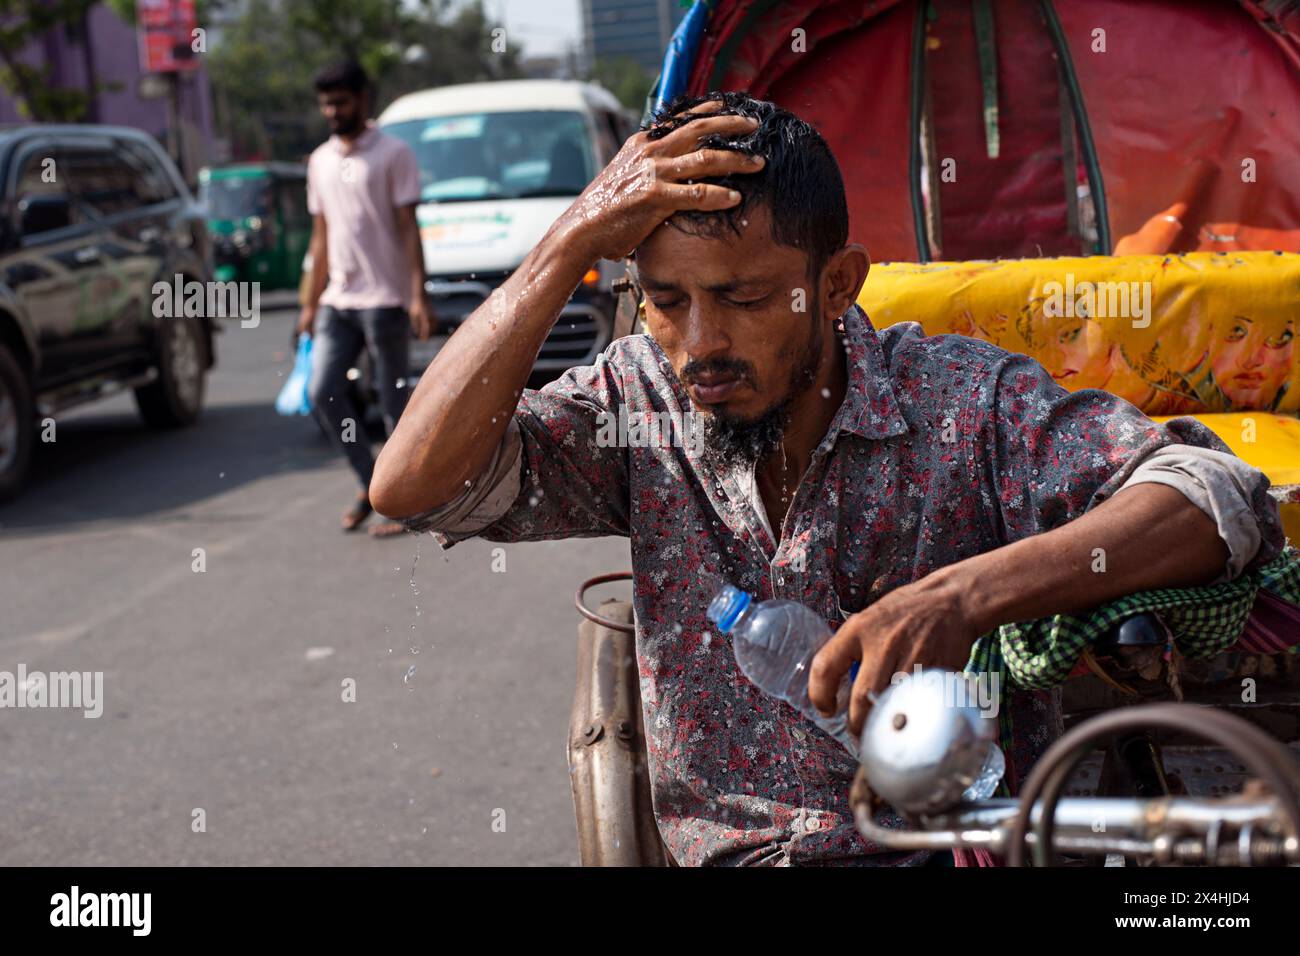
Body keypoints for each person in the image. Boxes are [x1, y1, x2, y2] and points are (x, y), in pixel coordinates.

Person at [368, 93, 1286, 865]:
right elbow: (412, 485)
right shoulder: (633, 403)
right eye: (668, 300)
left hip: (963, 844)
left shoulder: (963, 402)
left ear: (839, 283)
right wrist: (564, 244)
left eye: (745, 298)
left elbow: (1214, 496)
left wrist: (963, 598)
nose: (700, 346)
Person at [298, 59, 435, 537]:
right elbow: (319, 238)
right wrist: (308, 304)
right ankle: (368, 481)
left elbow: (408, 229)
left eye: (341, 102)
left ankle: (406, 503)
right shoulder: (319, 161)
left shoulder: (394, 154)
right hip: (339, 300)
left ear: (363, 99)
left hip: (386, 299)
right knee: (322, 391)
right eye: (326, 104)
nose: (333, 111)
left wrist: (418, 295)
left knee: (393, 399)